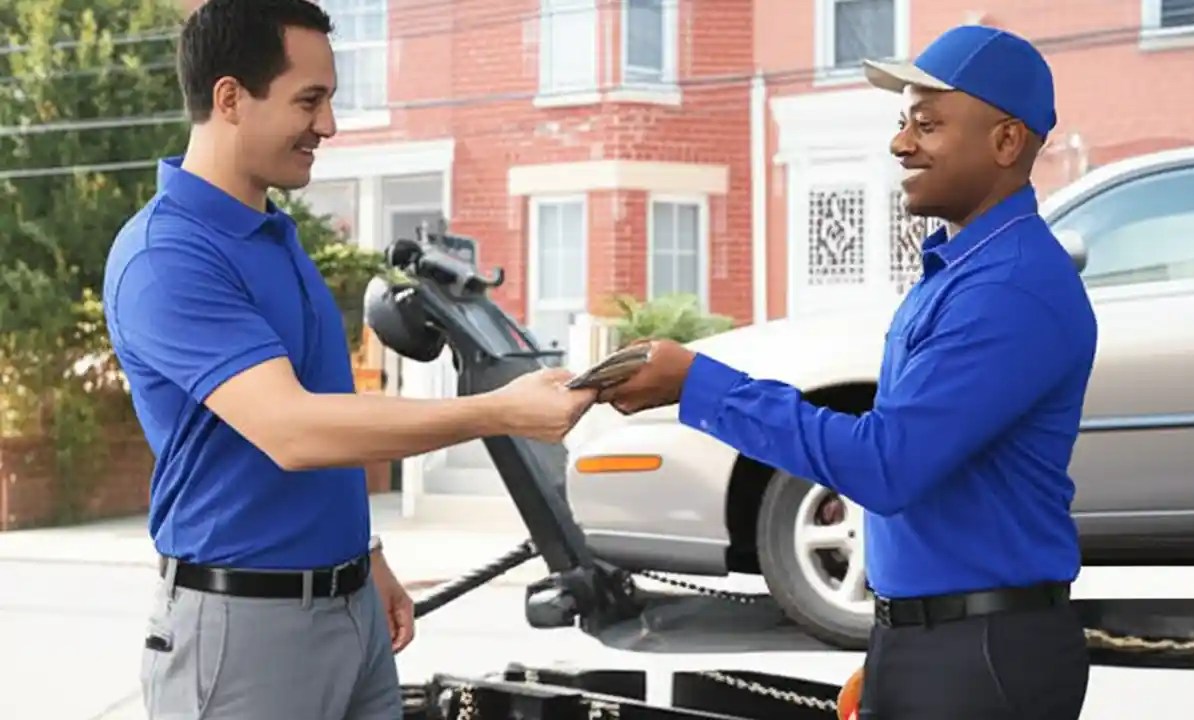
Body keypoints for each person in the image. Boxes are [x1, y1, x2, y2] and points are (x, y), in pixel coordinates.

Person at [102, 1, 596, 718]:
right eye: (310, 100)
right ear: (230, 98)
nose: (328, 126)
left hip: (349, 611)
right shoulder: (166, 257)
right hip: (245, 636)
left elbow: (327, 408)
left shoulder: (275, 234)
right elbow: (294, 430)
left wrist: (361, 551)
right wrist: (498, 411)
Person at [598, 24, 1097, 720]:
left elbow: (888, 465)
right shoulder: (965, 273)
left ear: (1006, 142)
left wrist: (698, 386)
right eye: (903, 123)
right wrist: (899, 644)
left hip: (978, 653)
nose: (901, 144)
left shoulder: (1009, 291)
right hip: (940, 639)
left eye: (927, 125)